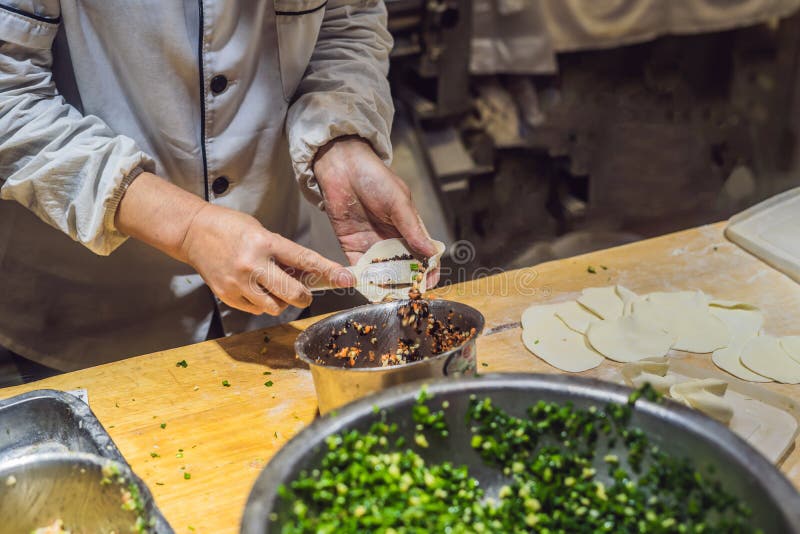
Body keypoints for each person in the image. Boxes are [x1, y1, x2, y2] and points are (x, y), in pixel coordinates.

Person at [0, 0, 437, 375]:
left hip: (269, 309)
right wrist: (187, 227)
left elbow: (345, 23)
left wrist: (342, 139)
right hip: (89, 319)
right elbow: (10, 99)